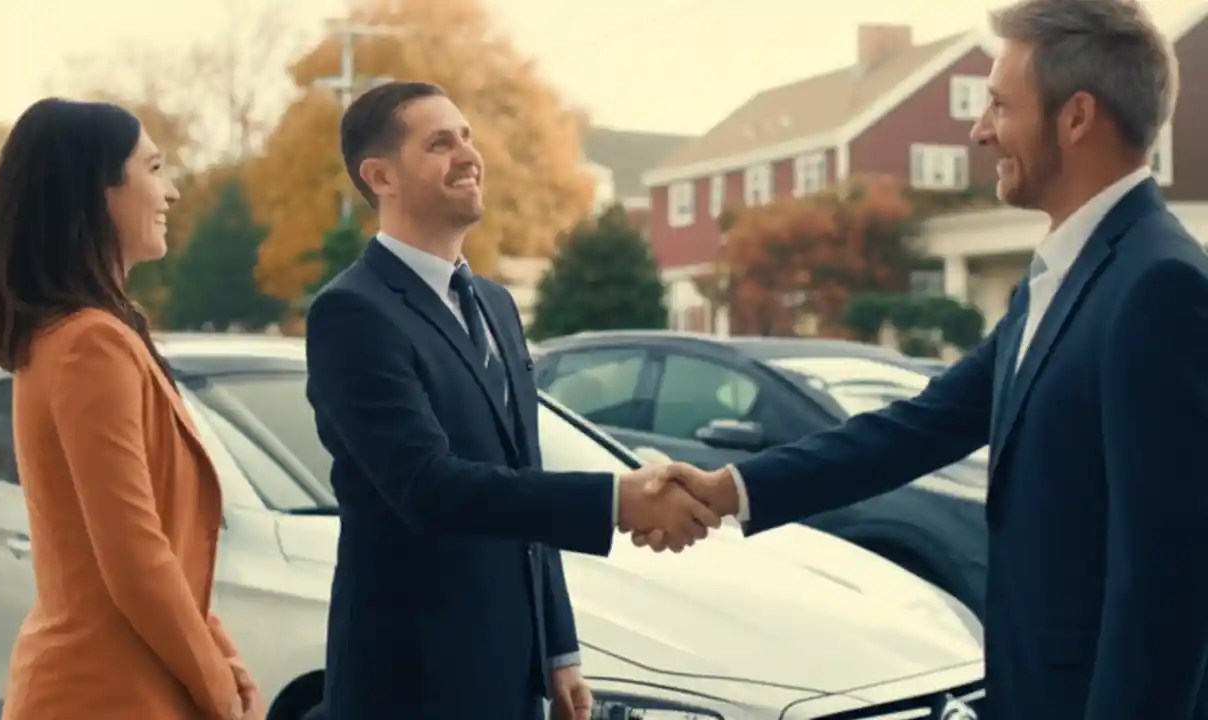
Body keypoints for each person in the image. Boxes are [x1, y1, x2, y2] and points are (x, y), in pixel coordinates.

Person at [641, 0, 1208, 717]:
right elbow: (915, 428)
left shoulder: (1159, 286)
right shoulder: (1058, 283)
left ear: (1076, 117)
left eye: (999, 105)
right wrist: (729, 489)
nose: (978, 131)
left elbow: (1166, 583)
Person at [303, 80, 720, 720]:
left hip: (512, 669)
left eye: (467, 137)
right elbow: (427, 487)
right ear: (380, 175)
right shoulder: (353, 313)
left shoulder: (496, 305)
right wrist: (616, 499)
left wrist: (558, 648)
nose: (468, 155)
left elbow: (522, 478)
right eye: (439, 143)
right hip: (412, 678)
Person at [0, 97, 262, 720]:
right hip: (103, 695)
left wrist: (224, 659)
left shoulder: (86, 334)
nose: (172, 192)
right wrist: (218, 692)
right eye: (154, 169)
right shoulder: (88, 344)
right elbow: (133, 556)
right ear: (94, 194)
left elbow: (165, 555)